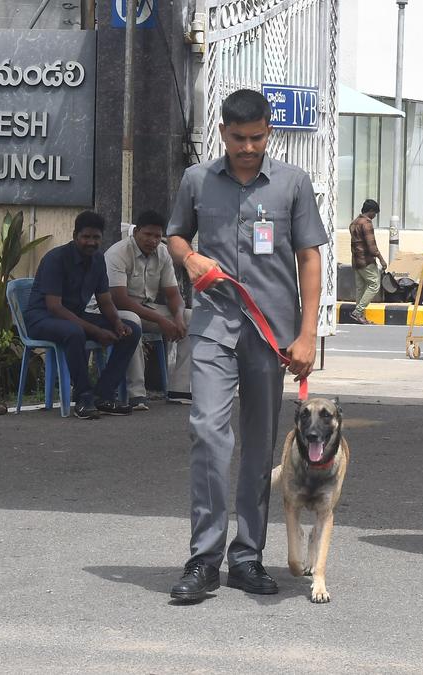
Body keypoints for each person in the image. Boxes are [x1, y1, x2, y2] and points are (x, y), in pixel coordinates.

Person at [165, 88, 328, 602]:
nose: (248, 147)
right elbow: (175, 236)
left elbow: (309, 258)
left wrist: (307, 335)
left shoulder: (293, 184)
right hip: (214, 327)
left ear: (269, 132)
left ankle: (247, 556)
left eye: (257, 137)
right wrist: (188, 259)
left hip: (271, 335)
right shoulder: (196, 181)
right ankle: (204, 558)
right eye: (239, 139)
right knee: (209, 434)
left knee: (259, 448)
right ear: (223, 134)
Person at [25, 210, 141, 420]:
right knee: (75, 332)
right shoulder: (56, 258)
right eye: (86, 237)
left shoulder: (98, 261)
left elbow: (105, 300)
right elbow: (55, 307)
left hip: (74, 317)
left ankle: (104, 395)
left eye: (96, 237)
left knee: (131, 330)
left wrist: (116, 323)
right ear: (75, 236)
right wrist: (96, 330)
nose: (91, 242)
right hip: (42, 319)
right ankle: (84, 397)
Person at [105, 209, 192, 410]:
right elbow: (120, 299)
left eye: (157, 236)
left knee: (191, 318)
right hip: (113, 311)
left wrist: (178, 316)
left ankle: (179, 389)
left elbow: (173, 295)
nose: (152, 240)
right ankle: (137, 395)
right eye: (148, 234)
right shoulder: (118, 253)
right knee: (132, 322)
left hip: (146, 308)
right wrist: (162, 320)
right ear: (136, 232)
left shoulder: (163, 253)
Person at [348, 199, 386, 324]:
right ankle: (358, 312)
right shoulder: (366, 223)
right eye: (375, 213)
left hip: (356, 260)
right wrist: (381, 259)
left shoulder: (354, 223)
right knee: (374, 284)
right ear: (371, 211)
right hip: (366, 260)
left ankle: (360, 316)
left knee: (361, 288)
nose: (375, 216)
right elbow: (371, 245)